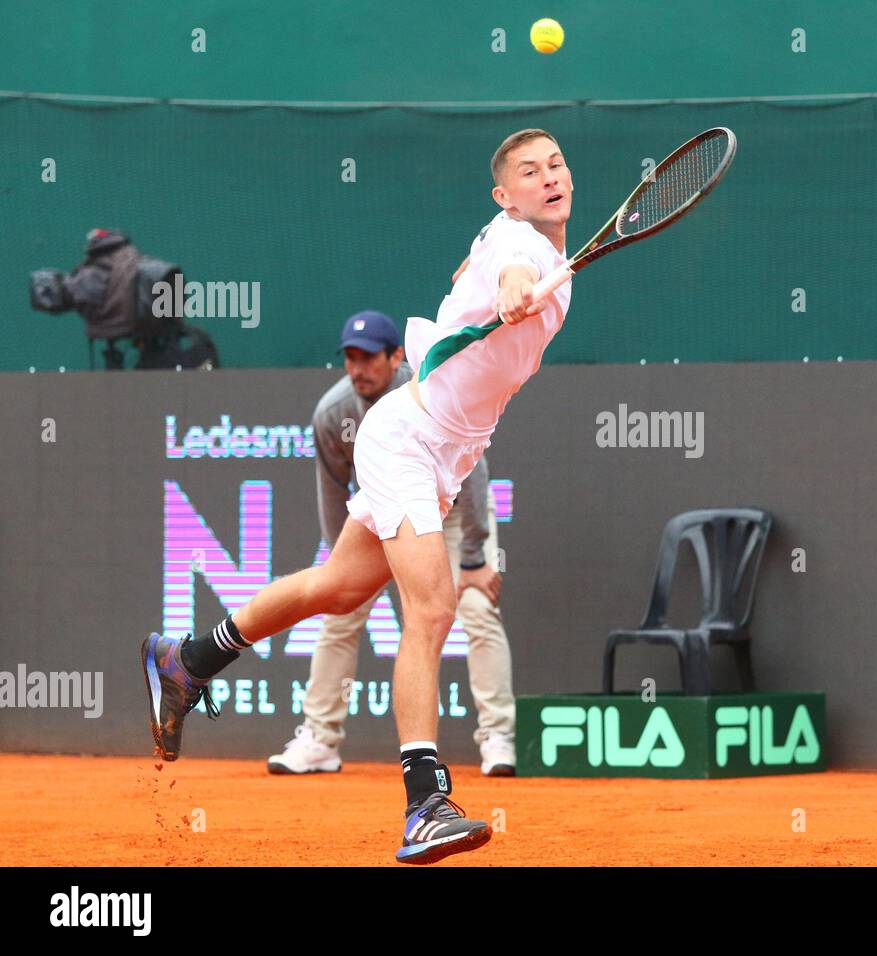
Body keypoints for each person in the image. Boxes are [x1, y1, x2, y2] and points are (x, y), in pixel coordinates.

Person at [142, 127, 573, 864]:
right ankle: (425, 803)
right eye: (529, 172)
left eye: (556, 165)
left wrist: (498, 290)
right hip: (409, 438)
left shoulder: (550, 256)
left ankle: (186, 660)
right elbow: (505, 267)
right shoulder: (522, 248)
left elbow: (482, 268)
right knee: (433, 610)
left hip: (435, 448)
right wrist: (508, 290)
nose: (549, 178)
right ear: (505, 196)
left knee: (339, 590)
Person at [265, 310, 517, 779]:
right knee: (339, 613)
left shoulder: (432, 384)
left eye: (368, 358)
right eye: (349, 358)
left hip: (454, 506)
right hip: (387, 510)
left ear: (395, 356)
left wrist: (476, 557)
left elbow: (476, 471)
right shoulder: (333, 413)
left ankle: (497, 738)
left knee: (477, 609)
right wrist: (340, 566)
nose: (358, 368)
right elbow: (333, 494)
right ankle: (320, 738)